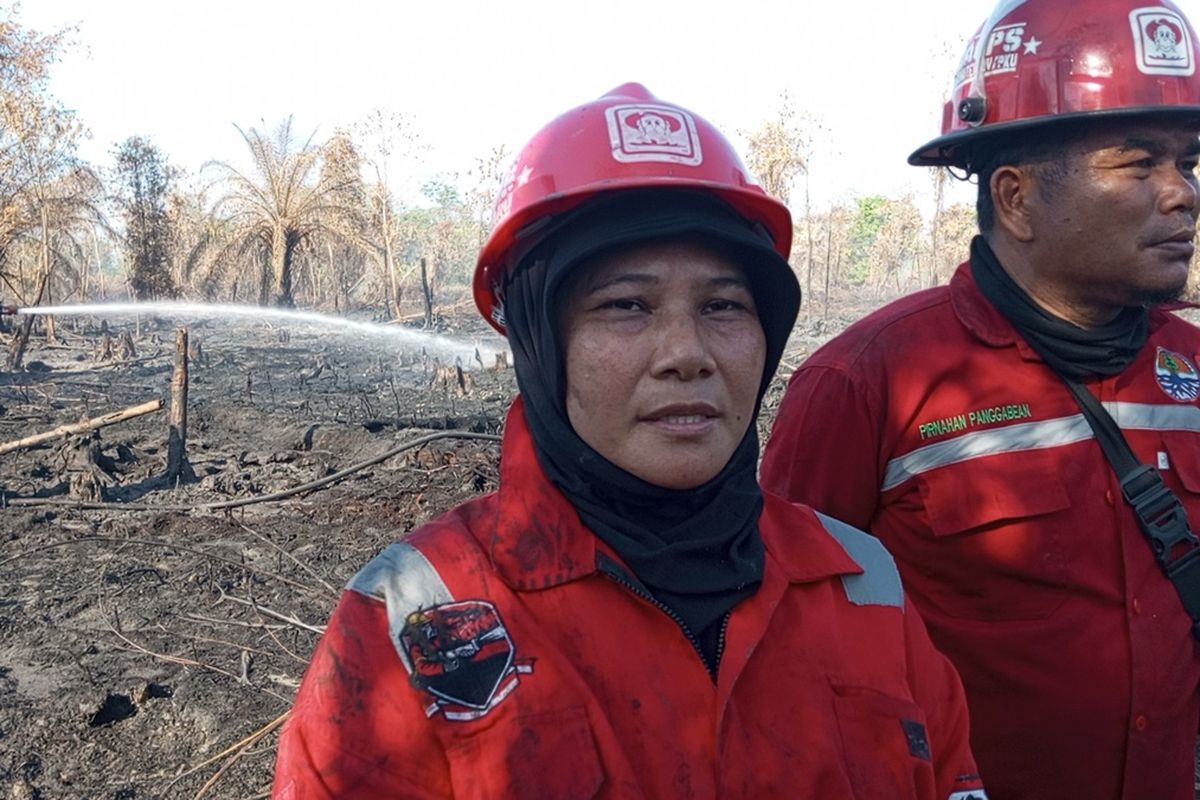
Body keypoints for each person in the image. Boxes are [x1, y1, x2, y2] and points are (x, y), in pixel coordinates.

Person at [272, 84, 987, 799]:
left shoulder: (863, 585)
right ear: (538, 338)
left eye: (723, 306)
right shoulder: (420, 619)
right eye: (626, 306)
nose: (687, 353)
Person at [760, 1, 1200, 798]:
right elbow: (778, 638)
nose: (1181, 194)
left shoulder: (1192, 369)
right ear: (1017, 197)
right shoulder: (867, 382)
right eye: (1139, 164)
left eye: (1189, 163)